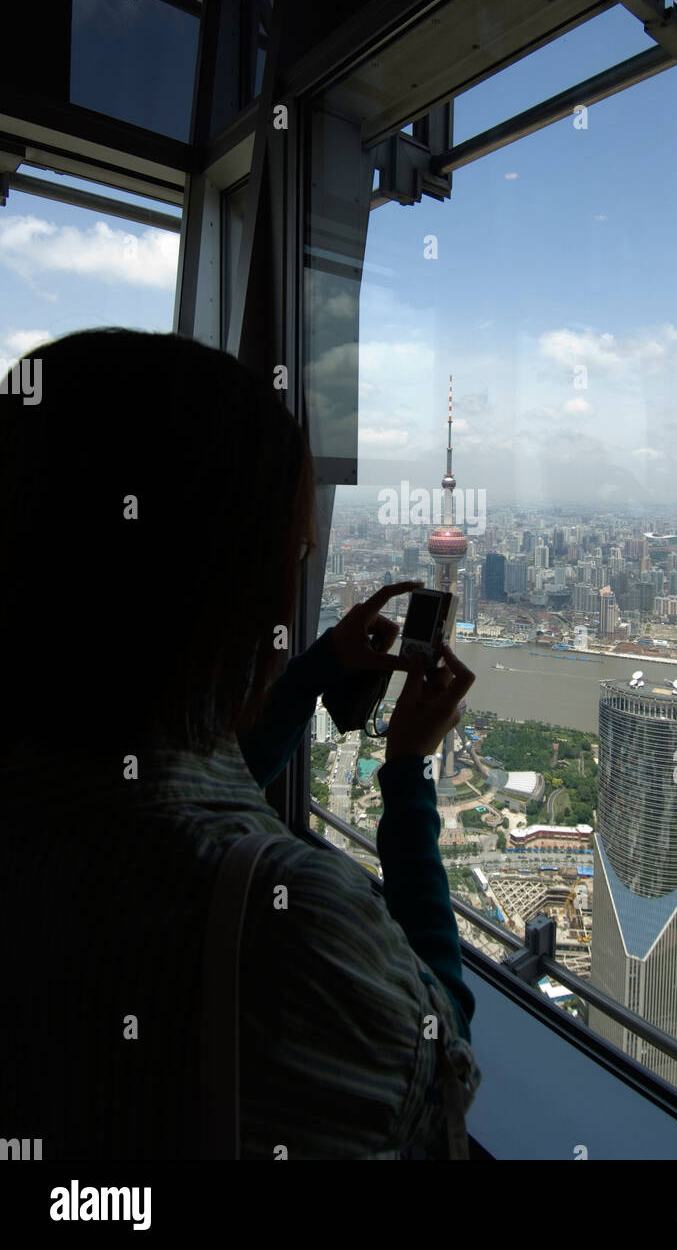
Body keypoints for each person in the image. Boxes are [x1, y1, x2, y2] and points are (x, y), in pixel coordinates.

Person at [0, 327, 481, 1160]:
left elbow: (165, 793)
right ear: (229, 585)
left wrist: (319, 668)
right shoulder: (289, 934)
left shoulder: (45, 777)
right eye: (292, 556)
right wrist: (406, 773)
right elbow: (440, 1044)